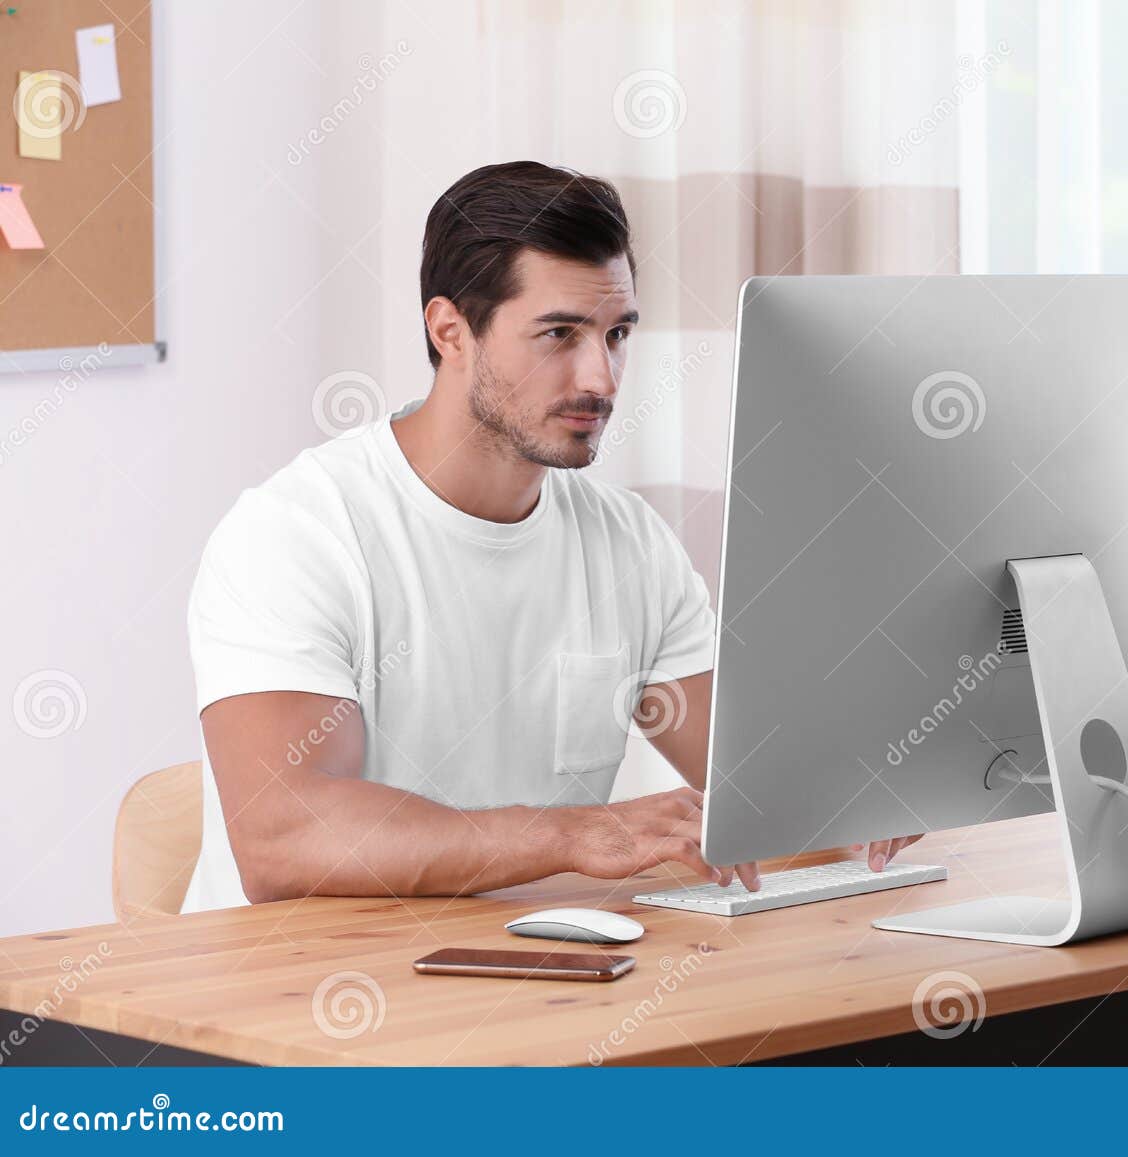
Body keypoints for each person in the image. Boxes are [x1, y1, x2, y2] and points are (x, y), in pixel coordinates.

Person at [182, 161, 920, 912]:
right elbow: (282, 837)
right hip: (293, 1000)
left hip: (526, 982)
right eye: (560, 333)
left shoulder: (628, 544)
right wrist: (569, 834)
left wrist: (871, 791)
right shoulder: (298, 535)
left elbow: (758, 779)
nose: (600, 378)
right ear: (450, 330)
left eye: (617, 333)